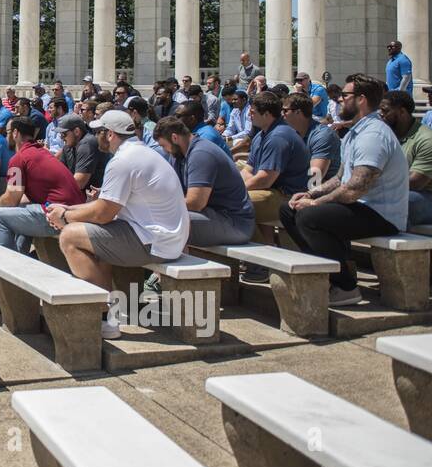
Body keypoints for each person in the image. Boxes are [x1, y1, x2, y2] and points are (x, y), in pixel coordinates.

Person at [53, 110, 191, 337]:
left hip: (156, 242)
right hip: (164, 237)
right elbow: (106, 208)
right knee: (93, 240)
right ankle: (110, 313)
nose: (95, 135)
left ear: (109, 134)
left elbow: (103, 214)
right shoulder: (141, 153)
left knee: (70, 236)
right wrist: (67, 210)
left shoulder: (122, 161)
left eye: (98, 131)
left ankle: (105, 315)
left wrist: (65, 217)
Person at [279, 74, 410, 307]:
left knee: (310, 216)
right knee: (288, 209)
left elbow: (355, 188)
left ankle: (346, 286)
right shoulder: (355, 132)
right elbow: (341, 178)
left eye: (344, 96)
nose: (339, 100)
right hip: (360, 207)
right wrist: (310, 194)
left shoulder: (373, 135)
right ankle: (328, 271)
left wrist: (316, 204)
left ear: (361, 100)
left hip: (381, 213)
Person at [0, 117, 84, 256]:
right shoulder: (42, 152)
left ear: (15, 133)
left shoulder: (19, 158)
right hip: (73, 212)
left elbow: (11, 199)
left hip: (58, 216)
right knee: (19, 210)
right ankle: (20, 256)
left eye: (7, 132)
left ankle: (6, 266)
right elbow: (19, 198)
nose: (6, 136)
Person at [153, 117, 254, 247]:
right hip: (210, 216)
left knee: (165, 223)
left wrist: (159, 206)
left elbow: (195, 203)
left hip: (234, 224)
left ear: (174, 138)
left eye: (163, 145)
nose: (164, 150)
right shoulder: (178, 155)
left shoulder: (201, 153)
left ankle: (180, 266)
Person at [239, 90, 310, 240]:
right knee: (232, 200)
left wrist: (234, 190)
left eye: (253, 112)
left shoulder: (279, 136)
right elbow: (248, 168)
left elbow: (265, 179)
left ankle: (259, 255)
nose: (249, 115)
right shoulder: (261, 135)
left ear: (266, 114)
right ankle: (265, 247)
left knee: (235, 205)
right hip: (270, 191)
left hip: (288, 196)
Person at [381, 90, 432, 227]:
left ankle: (399, 244)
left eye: (385, 111)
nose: (381, 115)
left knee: (392, 202)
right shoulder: (386, 136)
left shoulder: (428, 140)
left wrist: (373, 185)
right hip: (396, 191)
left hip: (431, 199)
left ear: (402, 112)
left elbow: (416, 182)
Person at [281, 92, 341, 182]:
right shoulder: (290, 133)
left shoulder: (323, 135)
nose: (282, 114)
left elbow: (315, 178)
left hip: (322, 189)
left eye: (285, 110)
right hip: (293, 185)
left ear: (298, 112)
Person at [56, 112, 107, 194]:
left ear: (76, 131)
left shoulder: (88, 143)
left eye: (64, 134)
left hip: (92, 198)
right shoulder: (68, 146)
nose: (62, 138)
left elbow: (79, 183)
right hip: (76, 195)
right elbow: (60, 173)